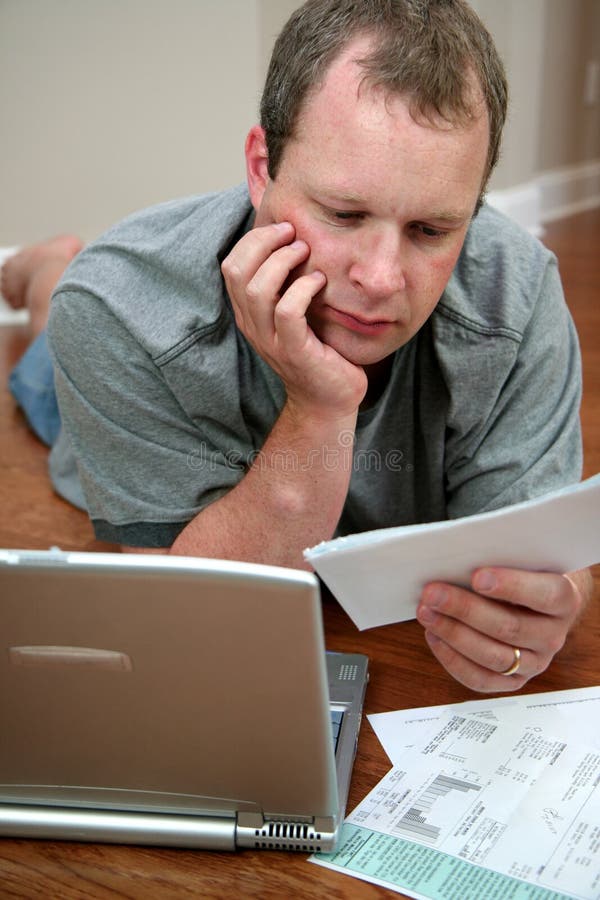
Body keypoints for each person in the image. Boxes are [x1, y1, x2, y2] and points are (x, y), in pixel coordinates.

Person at [3, 0, 592, 693]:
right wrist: (320, 406)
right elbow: (195, 621)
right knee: (45, 364)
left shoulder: (517, 292)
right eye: (344, 214)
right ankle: (44, 270)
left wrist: (550, 605)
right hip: (106, 376)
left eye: (432, 230)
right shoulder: (120, 309)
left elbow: (549, 557)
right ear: (261, 167)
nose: (381, 279)